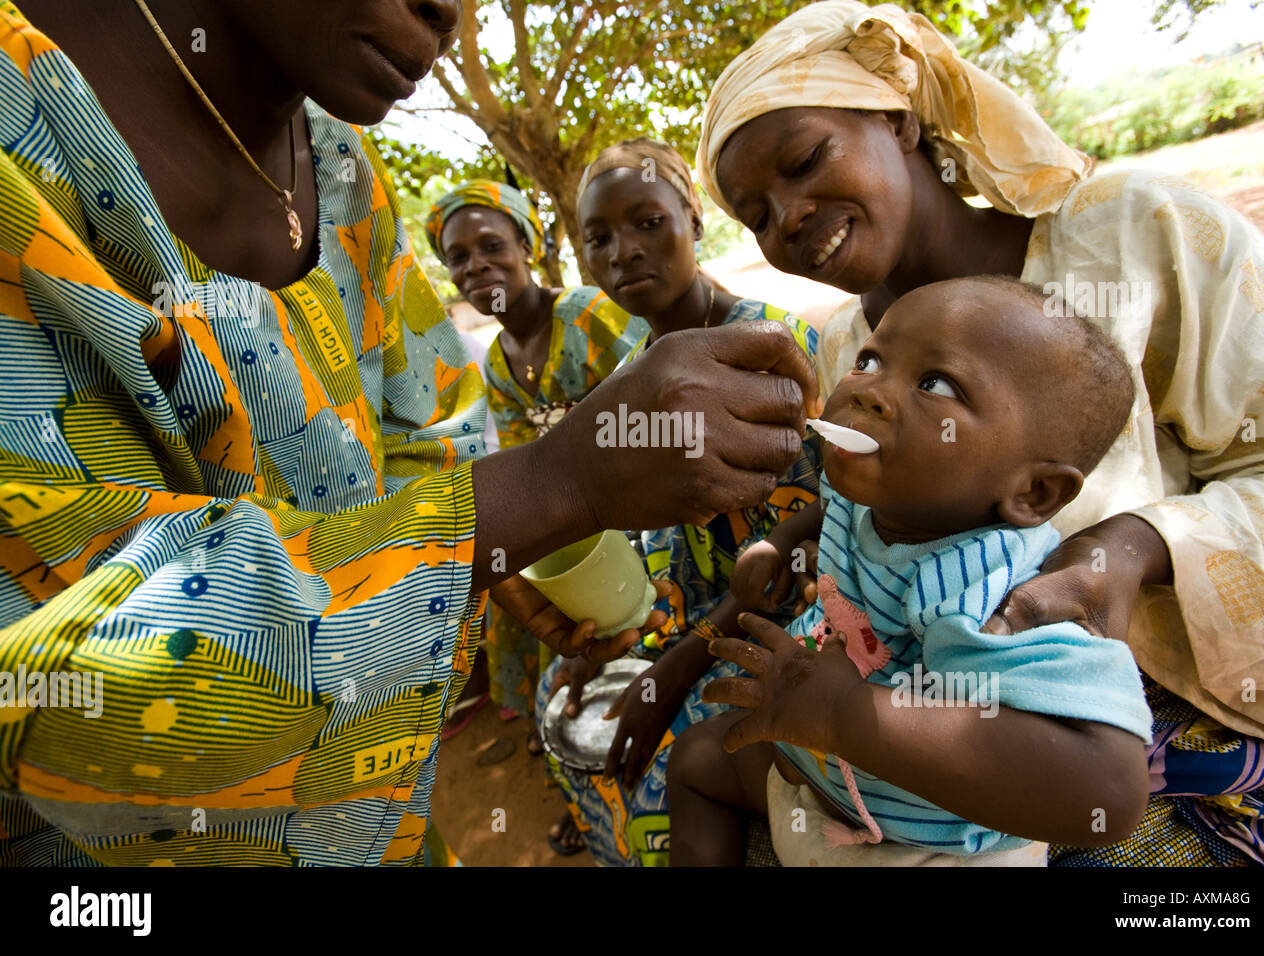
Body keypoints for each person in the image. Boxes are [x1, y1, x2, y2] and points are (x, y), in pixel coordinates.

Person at [0, 0, 820, 866]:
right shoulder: (26, 156)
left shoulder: (342, 160)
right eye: (600, 238)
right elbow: (73, 674)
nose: (451, 14)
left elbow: (430, 433)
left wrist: (503, 553)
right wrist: (553, 489)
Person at [693, 0, 1264, 866]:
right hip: (915, 739)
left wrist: (1130, 548)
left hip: (1157, 725)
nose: (786, 216)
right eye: (753, 213)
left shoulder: (1133, 235)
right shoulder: (837, 346)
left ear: (898, 121)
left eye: (804, 159)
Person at [670, 275, 1155, 866]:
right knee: (695, 761)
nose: (872, 390)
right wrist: (779, 542)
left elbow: (1109, 789)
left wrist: (844, 716)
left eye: (936, 383)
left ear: (1034, 491)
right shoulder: (881, 490)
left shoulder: (983, 590)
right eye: (871, 359)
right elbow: (834, 507)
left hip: (926, 838)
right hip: (816, 763)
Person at [532, 137, 821, 866]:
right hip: (682, 609)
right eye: (598, 238)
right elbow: (645, 541)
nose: (623, 252)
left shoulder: (775, 344)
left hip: (786, 612)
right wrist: (608, 633)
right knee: (565, 697)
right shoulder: (631, 377)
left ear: (693, 217)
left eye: (647, 223)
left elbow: (810, 535)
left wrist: (685, 659)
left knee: (659, 752)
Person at [426, 181, 647, 770]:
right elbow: (527, 463)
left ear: (527, 246)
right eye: (458, 257)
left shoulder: (583, 313)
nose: (476, 266)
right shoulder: (497, 361)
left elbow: (660, 402)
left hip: (648, 500)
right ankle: (554, 721)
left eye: (492, 245)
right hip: (583, 513)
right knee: (509, 588)